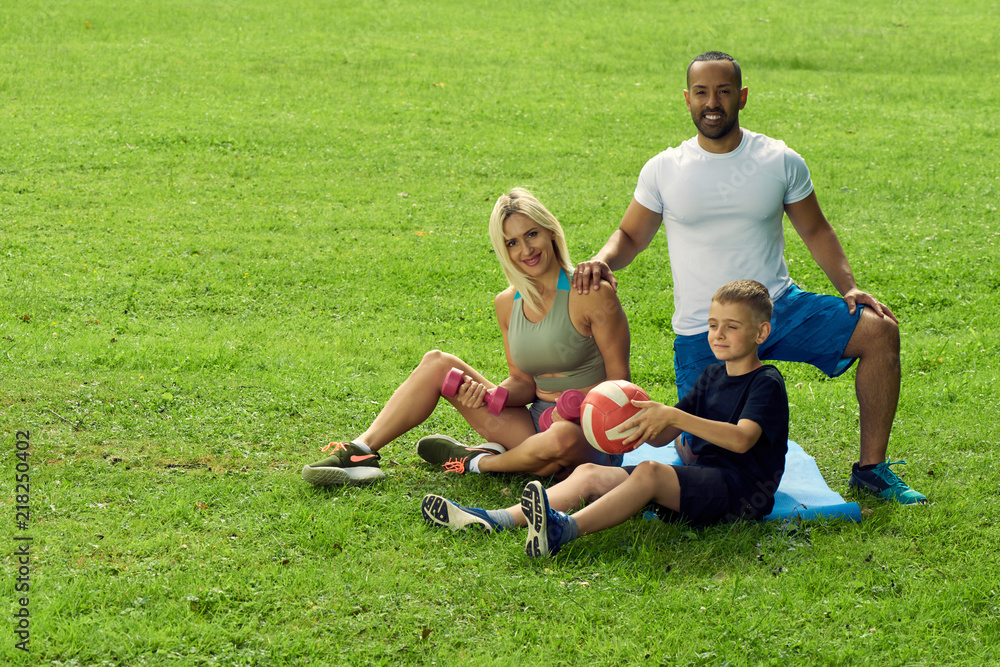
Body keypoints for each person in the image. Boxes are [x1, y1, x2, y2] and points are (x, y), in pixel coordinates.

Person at [571, 51, 925, 504]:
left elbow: (816, 230)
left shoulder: (779, 160)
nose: (712, 102)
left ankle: (871, 470)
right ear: (687, 98)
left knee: (879, 331)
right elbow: (630, 235)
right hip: (706, 328)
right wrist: (603, 259)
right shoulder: (664, 168)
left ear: (741, 97)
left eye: (723, 91)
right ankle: (685, 449)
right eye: (701, 92)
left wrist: (849, 287)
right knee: (703, 455)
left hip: (778, 308)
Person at [421, 280, 789, 557]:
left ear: (761, 332)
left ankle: (563, 530)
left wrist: (673, 415)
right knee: (589, 473)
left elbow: (742, 438)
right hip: (702, 482)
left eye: (731, 326)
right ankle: (494, 519)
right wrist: (636, 420)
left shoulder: (766, 382)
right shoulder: (712, 376)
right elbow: (664, 436)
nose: (718, 334)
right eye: (712, 324)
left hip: (742, 495)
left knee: (649, 472)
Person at [301, 187, 630, 486]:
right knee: (437, 363)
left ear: (551, 232)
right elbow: (523, 382)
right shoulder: (507, 304)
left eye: (532, 234)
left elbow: (620, 383)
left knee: (560, 440)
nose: (526, 249)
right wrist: (492, 396)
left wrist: (576, 408)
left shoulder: (591, 293)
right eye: (512, 243)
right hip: (532, 426)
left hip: (591, 431)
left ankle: (478, 462)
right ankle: (360, 451)